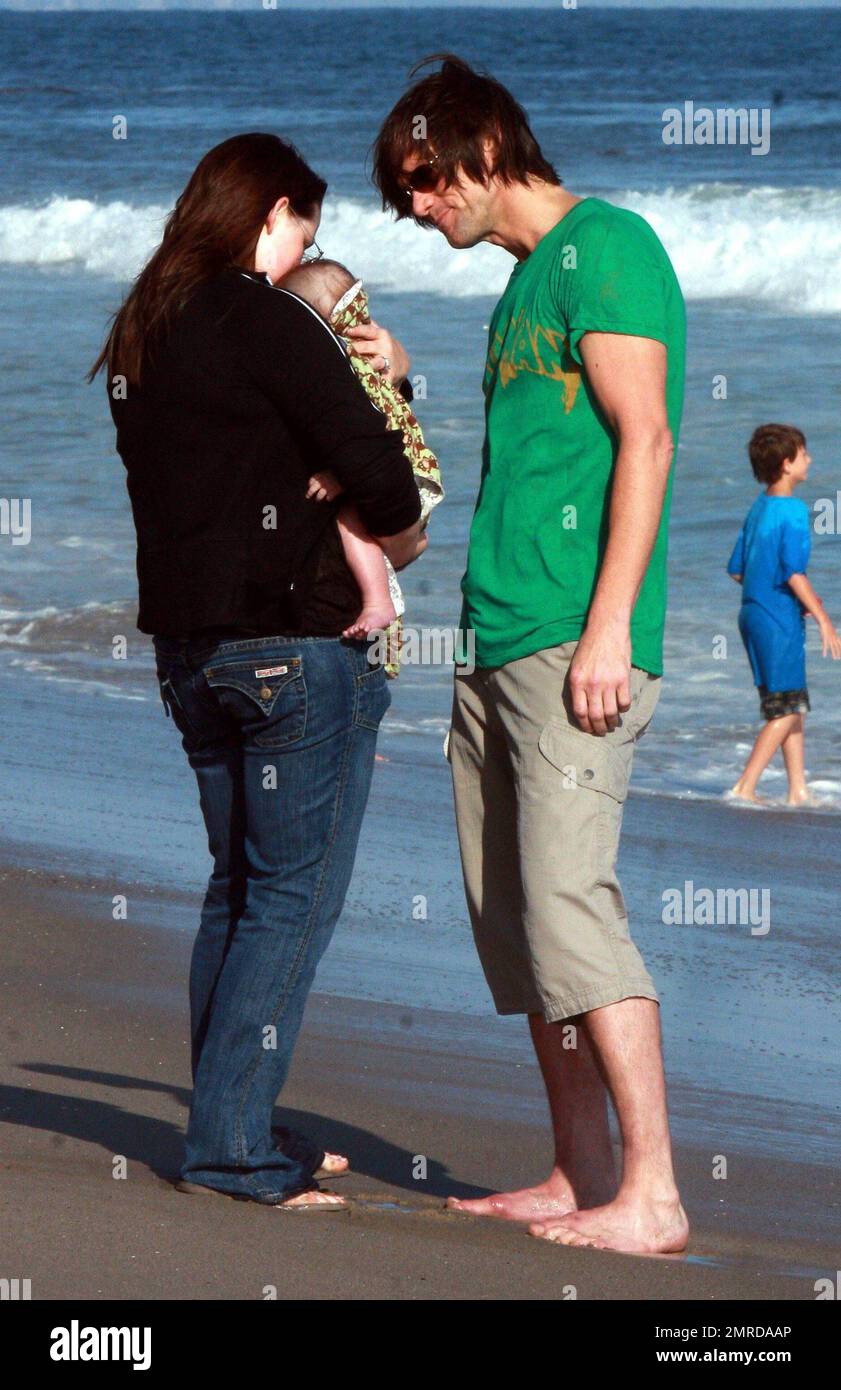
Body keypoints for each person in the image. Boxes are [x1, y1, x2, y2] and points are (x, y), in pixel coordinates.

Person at [373, 55, 688, 1254]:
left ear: (482, 150)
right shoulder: (518, 290)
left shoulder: (608, 245)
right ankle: (580, 1167)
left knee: (569, 906)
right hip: (497, 637)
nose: (413, 206)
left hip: (573, 638)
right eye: (401, 191)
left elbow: (646, 439)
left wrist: (609, 627)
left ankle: (654, 1192)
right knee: (513, 922)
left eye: (419, 180)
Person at [89, 133, 426, 1208]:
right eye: (304, 234)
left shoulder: (144, 324)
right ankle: (231, 1149)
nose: (300, 256)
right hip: (293, 645)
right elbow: (381, 465)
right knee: (289, 903)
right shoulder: (264, 314)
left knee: (238, 892)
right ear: (270, 212)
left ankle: (232, 1116)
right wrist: (386, 492)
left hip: (188, 652)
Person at [279, 257, 443, 676]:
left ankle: (377, 601)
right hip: (406, 480)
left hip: (405, 478)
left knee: (351, 522)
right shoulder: (362, 358)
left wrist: (340, 473)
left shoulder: (350, 367)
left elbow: (371, 435)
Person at [727, 423, 841, 804]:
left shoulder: (760, 506)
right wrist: (823, 617)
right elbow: (793, 572)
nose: (810, 459)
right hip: (777, 620)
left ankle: (798, 790)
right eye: (804, 454)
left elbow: (738, 569)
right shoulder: (792, 511)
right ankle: (745, 787)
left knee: (791, 704)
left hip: (753, 615)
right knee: (787, 709)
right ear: (788, 464)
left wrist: (775, 596)